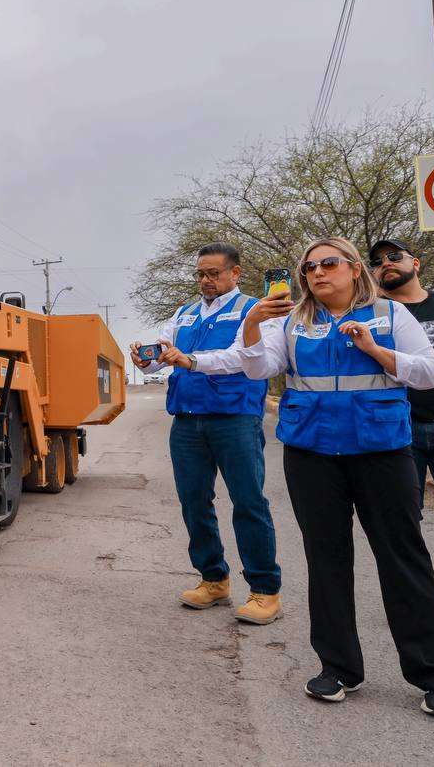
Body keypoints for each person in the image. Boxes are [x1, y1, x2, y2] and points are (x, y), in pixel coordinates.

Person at [173, 236, 434, 716]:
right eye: (309, 267)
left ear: (355, 268)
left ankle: (431, 673)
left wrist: (377, 351)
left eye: (329, 264)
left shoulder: (390, 315)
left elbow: (428, 374)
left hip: (381, 452)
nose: (318, 273)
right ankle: (338, 668)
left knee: (403, 559)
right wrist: (254, 327)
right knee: (327, 560)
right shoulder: (292, 321)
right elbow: (259, 369)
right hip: (313, 456)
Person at [132, 242, 282, 624]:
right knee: (193, 502)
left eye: (214, 273)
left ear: (235, 273)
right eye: (201, 273)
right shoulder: (184, 314)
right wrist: (145, 361)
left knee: (248, 502)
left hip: (234, 418)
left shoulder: (254, 309)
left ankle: (265, 590)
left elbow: (243, 358)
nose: (206, 280)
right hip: (187, 420)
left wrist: (191, 360)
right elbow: (162, 361)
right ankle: (213, 578)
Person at [369, 238, 434, 507]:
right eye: (377, 262)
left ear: (415, 263)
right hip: (398, 428)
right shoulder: (372, 315)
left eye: (394, 256)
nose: (385, 263)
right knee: (404, 518)